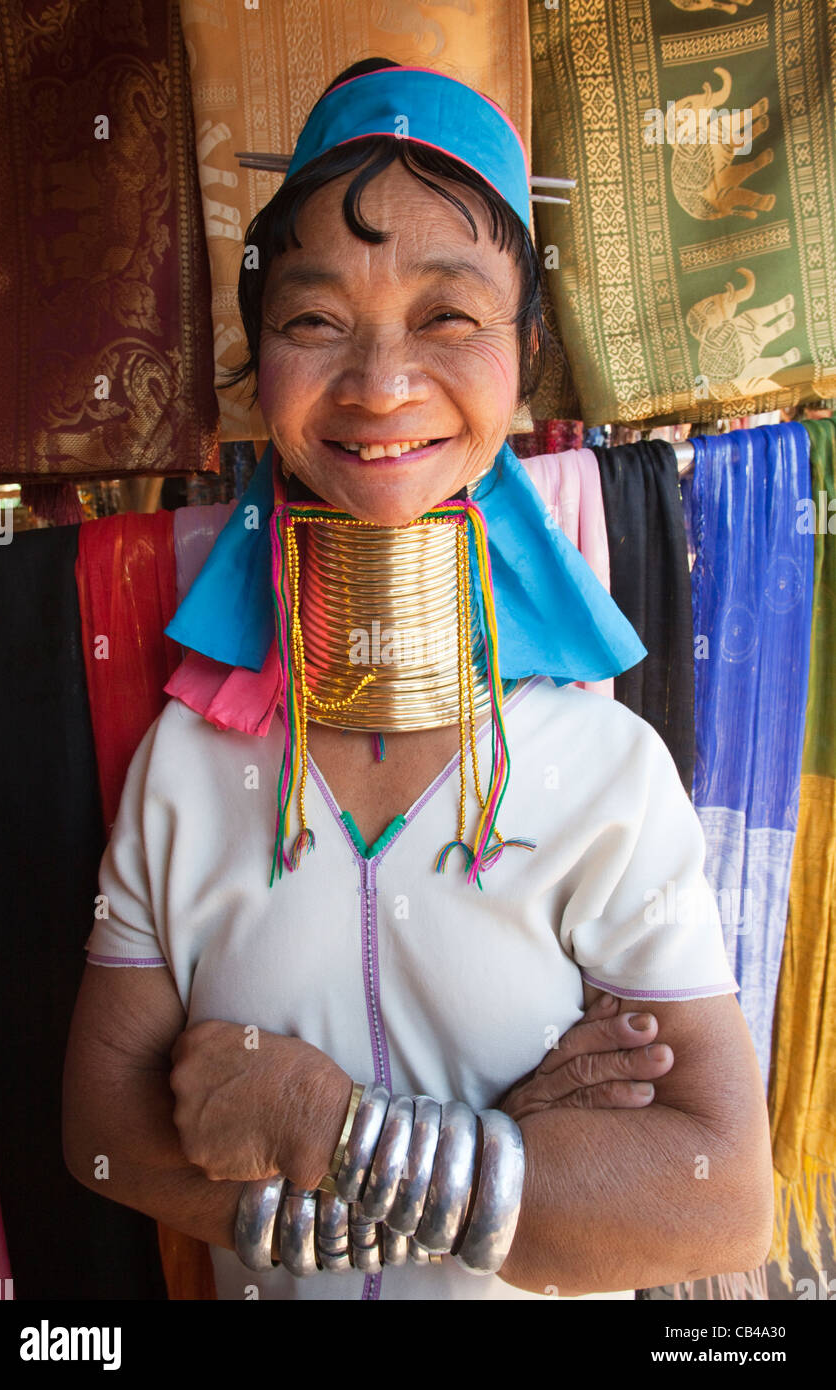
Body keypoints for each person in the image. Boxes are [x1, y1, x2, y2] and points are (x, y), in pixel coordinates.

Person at [63, 59, 773, 1301]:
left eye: (448, 316)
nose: (380, 385)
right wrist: (497, 1153)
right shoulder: (184, 767)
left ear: (527, 347)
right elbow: (102, 1137)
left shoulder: (602, 777)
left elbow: (714, 1200)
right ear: (257, 353)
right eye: (314, 320)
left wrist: (326, 1129)